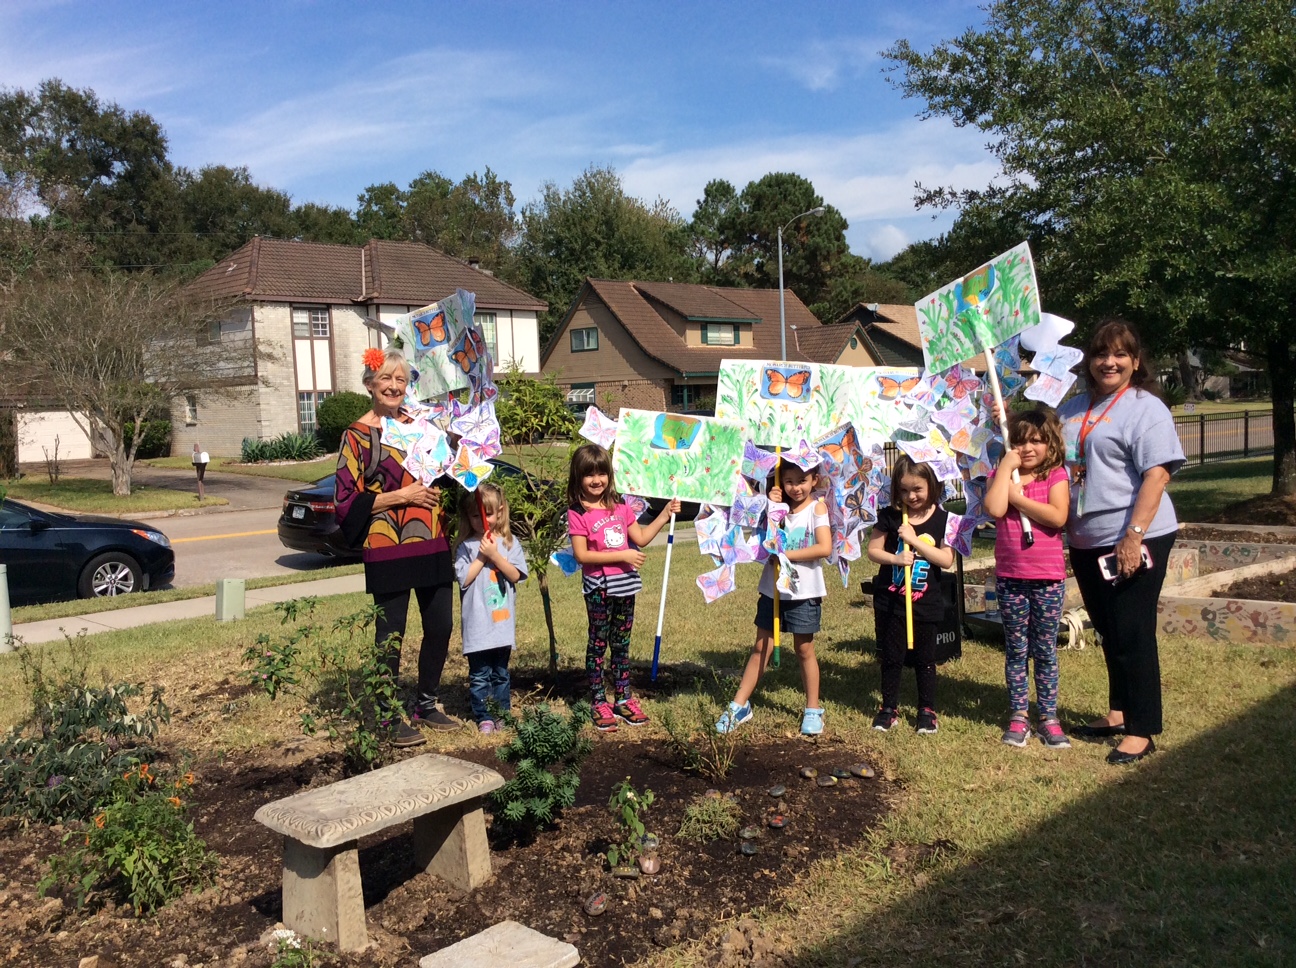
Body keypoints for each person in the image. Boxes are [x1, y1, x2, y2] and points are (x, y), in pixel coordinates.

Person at [1058, 319, 1184, 764]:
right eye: (1100, 354)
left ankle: (1142, 728)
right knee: (1108, 628)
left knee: (1132, 630)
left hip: (1136, 535)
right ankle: (1118, 711)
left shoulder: (1146, 408)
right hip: (1087, 538)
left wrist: (1133, 535)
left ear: (1135, 361)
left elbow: (1158, 475)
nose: (1108, 362)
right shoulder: (1072, 409)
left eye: (1119, 354)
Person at [335, 347, 458, 747]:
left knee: (440, 626)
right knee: (391, 634)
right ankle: (386, 715)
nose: (393, 386)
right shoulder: (356, 435)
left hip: (432, 538)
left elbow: (445, 475)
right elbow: (345, 501)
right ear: (369, 384)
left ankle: (426, 703)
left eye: (401, 380)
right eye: (385, 378)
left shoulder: (422, 426)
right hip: (386, 543)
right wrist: (402, 496)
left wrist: (459, 447)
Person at [715, 458, 833, 736]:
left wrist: (785, 555)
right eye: (789, 481)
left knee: (804, 649)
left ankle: (813, 709)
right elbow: (759, 537)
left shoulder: (817, 509)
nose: (795, 488)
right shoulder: (774, 509)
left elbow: (824, 547)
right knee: (761, 648)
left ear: (814, 480)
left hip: (804, 592)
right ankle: (739, 705)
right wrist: (772, 508)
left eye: (802, 481)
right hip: (772, 590)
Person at [567, 443, 679, 732]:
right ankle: (598, 701)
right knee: (598, 644)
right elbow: (582, 556)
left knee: (621, 644)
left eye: (601, 473)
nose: (596, 480)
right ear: (578, 477)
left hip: (625, 586)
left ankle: (623, 698)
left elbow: (640, 538)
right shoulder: (577, 512)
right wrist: (623, 555)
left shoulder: (621, 507)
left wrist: (665, 514)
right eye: (589, 474)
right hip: (599, 588)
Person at [983, 408, 1072, 749]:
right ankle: (1019, 715)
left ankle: (1048, 717)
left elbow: (1057, 516)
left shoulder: (1056, 475)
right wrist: (1006, 469)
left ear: (1050, 443)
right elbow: (995, 508)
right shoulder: (1002, 475)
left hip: (1048, 579)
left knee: (1045, 650)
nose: (1027, 447)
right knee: (1016, 649)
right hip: (1011, 578)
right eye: (1019, 441)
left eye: (1036, 440)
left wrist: (1018, 498)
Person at [867, 455, 955, 735]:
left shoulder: (943, 519)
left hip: (926, 603)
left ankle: (927, 710)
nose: (911, 496)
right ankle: (888, 708)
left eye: (917, 489)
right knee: (892, 657)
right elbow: (873, 551)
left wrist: (915, 540)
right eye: (904, 490)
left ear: (932, 485)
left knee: (925, 660)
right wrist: (895, 558)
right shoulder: (891, 517)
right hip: (892, 601)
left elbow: (946, 560)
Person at [454, 482, 527, 734]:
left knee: (500, 673)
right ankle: (484, 716)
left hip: (501, 624)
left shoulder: (509, 543)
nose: (483, 520)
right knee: (479, 675)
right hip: (478, 625)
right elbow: (464, 579)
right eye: (476, 515)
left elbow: (515, 575)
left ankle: (502, 713)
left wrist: (495, 555)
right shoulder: (465, 547)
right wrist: (482, 556)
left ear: (500, 511)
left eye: (488, 514)